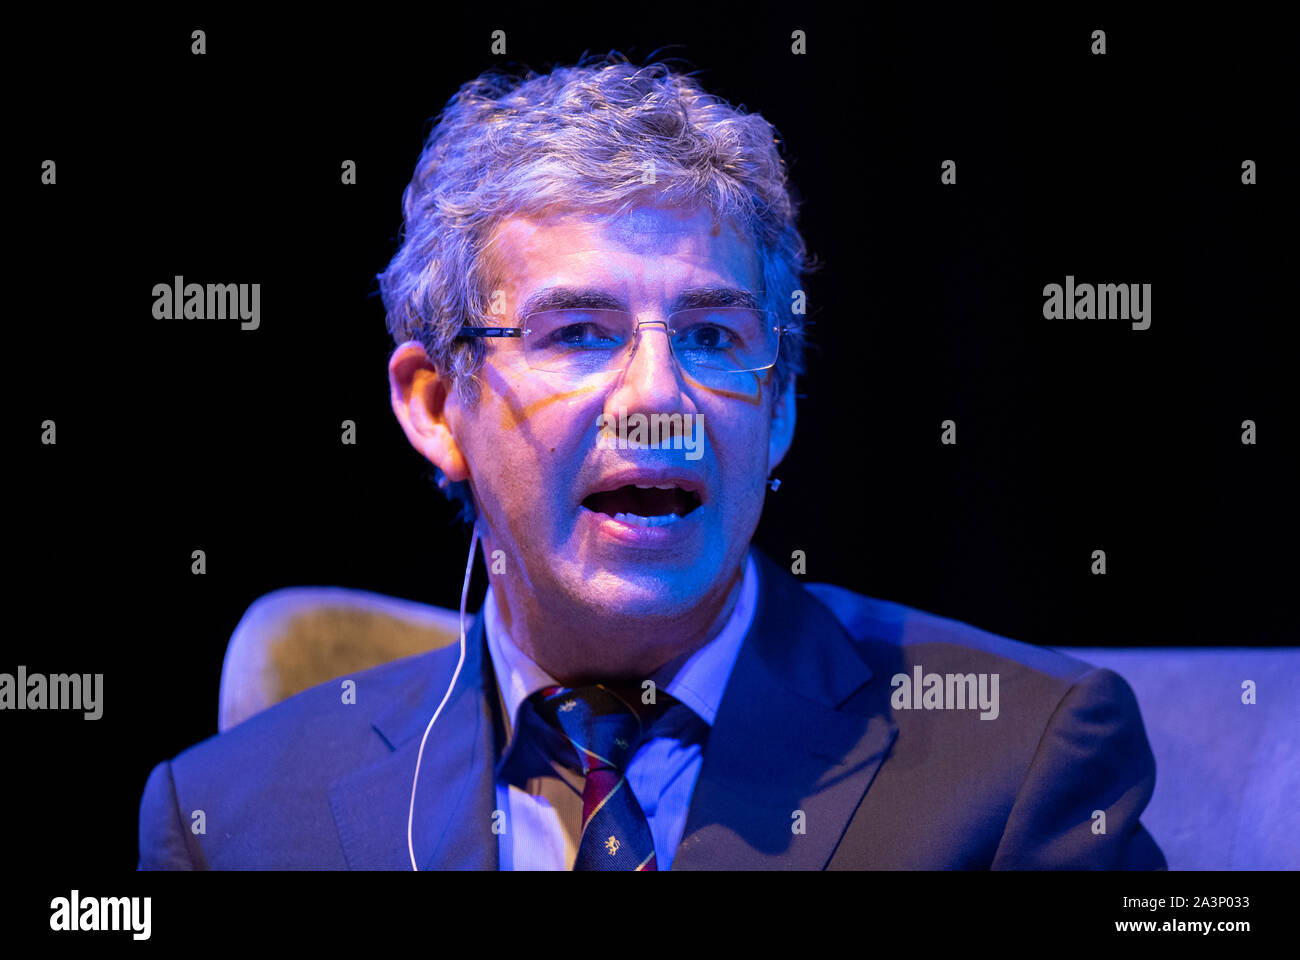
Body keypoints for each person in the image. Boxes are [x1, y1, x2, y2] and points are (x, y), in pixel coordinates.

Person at [137, 53, 1166, 870]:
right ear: (435, 404)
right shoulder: (227, 822)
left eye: (715, 337)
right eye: (578, 331)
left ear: (781, 408)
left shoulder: (1024, 766)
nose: (658, 397)